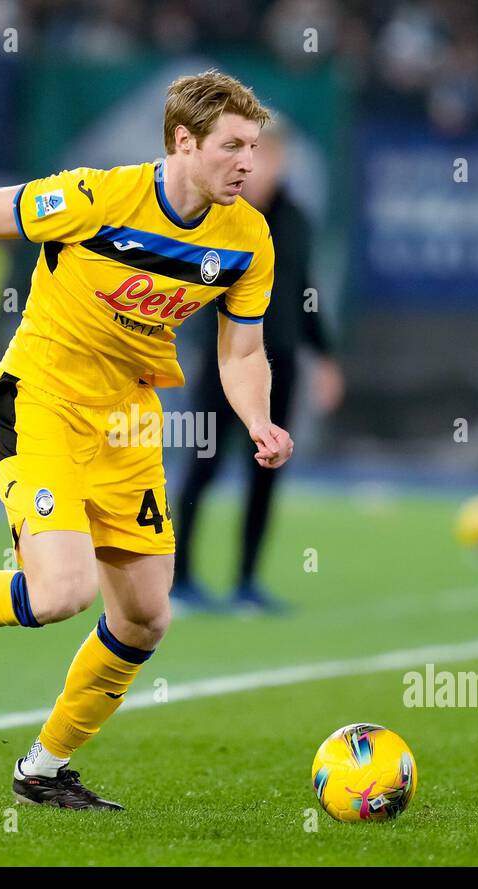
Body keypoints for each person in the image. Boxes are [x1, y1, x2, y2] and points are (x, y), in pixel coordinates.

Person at [0, 69, 292, 810]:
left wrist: (257, 418)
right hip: (42, 398)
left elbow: (242, 352)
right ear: (182, 141)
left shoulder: (248, 237)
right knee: (61, 592)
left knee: (145, 615)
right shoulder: (99, 197)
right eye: (232, 145)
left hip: (130, 421)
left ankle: (43, 768)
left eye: (255, 146)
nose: (249, 161)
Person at [170, 121, 343, 614]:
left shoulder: (296, 220)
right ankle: (180, 582)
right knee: (202, 467)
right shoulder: (219, 214)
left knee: (265, 471)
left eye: (269, 154)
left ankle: (246, 583)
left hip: (280, 362)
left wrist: (325, 358)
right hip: (224, 363)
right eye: (250, 152)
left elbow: (306, 294)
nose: (259, 163)